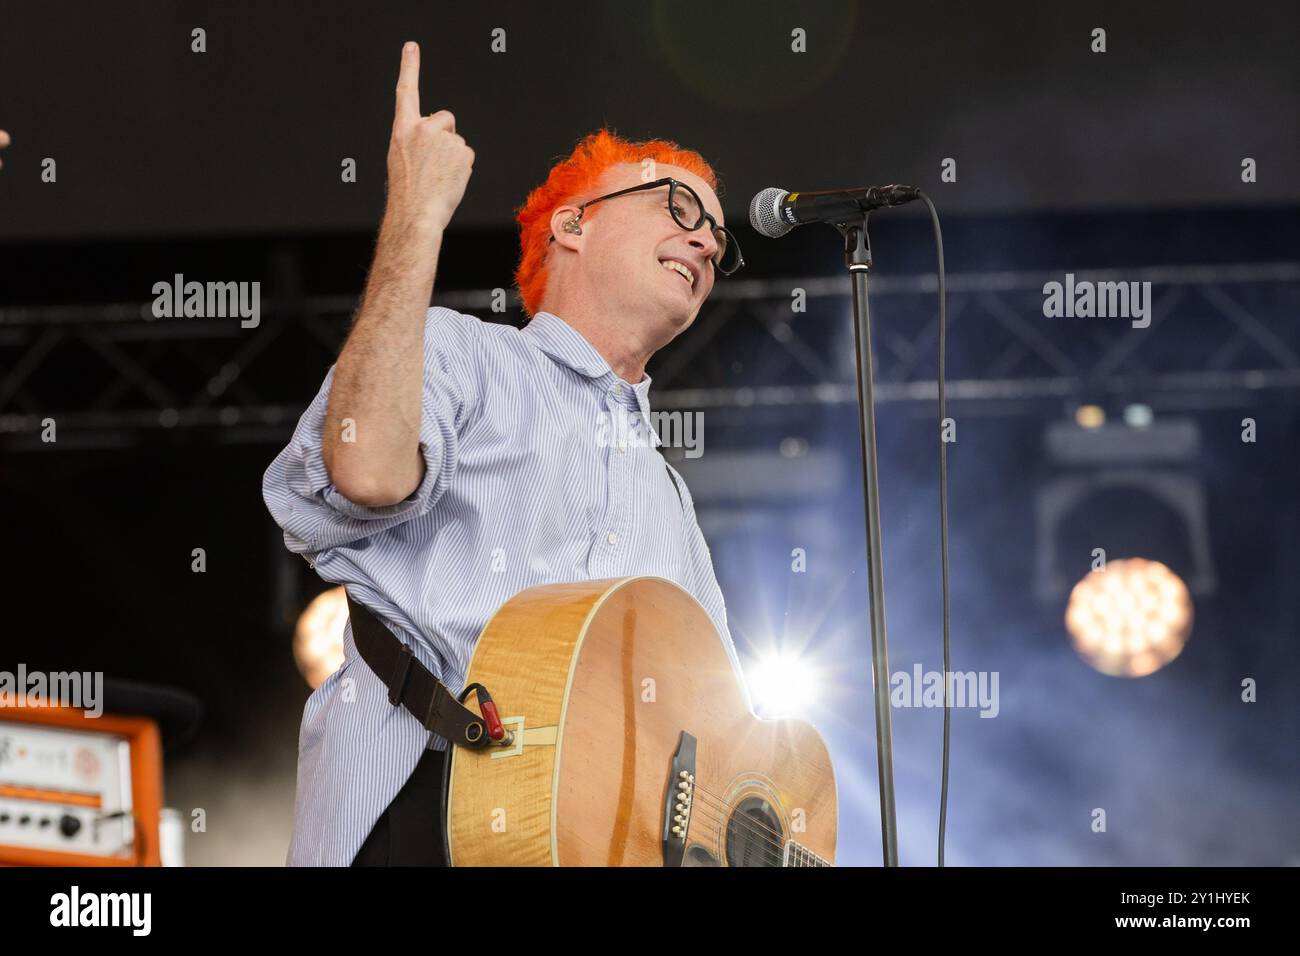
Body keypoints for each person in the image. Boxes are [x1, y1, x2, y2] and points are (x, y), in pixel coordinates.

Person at [262, 41, 747, 866]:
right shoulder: (461, 355)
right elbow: (368, 472)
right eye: (679, 207)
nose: (706, 244)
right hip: (432, 808)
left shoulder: (669, 494)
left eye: (719, 238)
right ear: (572, 224)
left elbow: (722, 736)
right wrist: (416, 213)